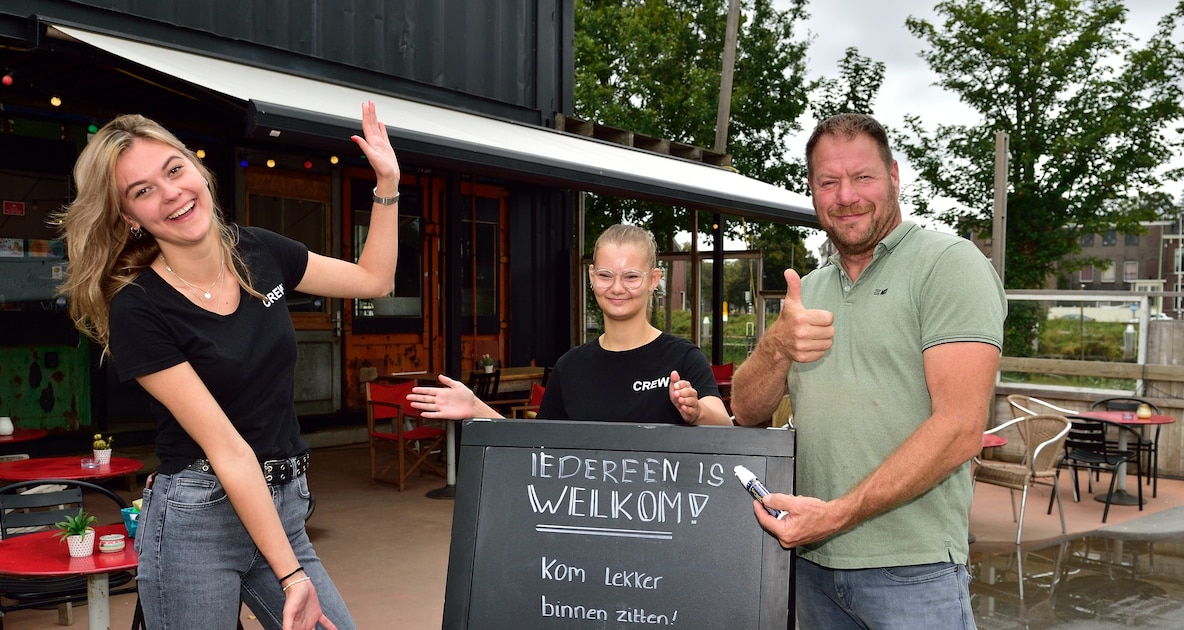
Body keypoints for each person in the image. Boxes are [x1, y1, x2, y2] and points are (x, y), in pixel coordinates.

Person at [56, 102, 400, 630]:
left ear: (198, 170)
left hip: (282, 506)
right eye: (142, 190)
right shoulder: (139, 307)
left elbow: (373, 280)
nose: (170, 192)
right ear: (130, 218)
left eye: (174, 170)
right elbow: (227, 448)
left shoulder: (259, 251)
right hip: (199, 518)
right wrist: (292, 577)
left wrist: (386, 185)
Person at [730, 113, 1006, 628]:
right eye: (828, 182)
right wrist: (777, 347)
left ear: (895, 176)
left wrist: (833, 516)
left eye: (863, 177)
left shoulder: (949, 264)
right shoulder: (805, 290)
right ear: (812, 191)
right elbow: (744, 410)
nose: (846, 196)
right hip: (811, 566)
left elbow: (961, 429)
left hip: (913, 569)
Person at [408, 224, 732, 426]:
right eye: (605, 275)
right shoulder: (571, 366)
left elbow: (724, 427)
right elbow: (540, 446)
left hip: (664, 521)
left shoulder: (684, 359)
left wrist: (696, 413)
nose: (617, 288)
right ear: (591, 277)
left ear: (653, 280)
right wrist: (476, 408)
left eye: (631, 276)